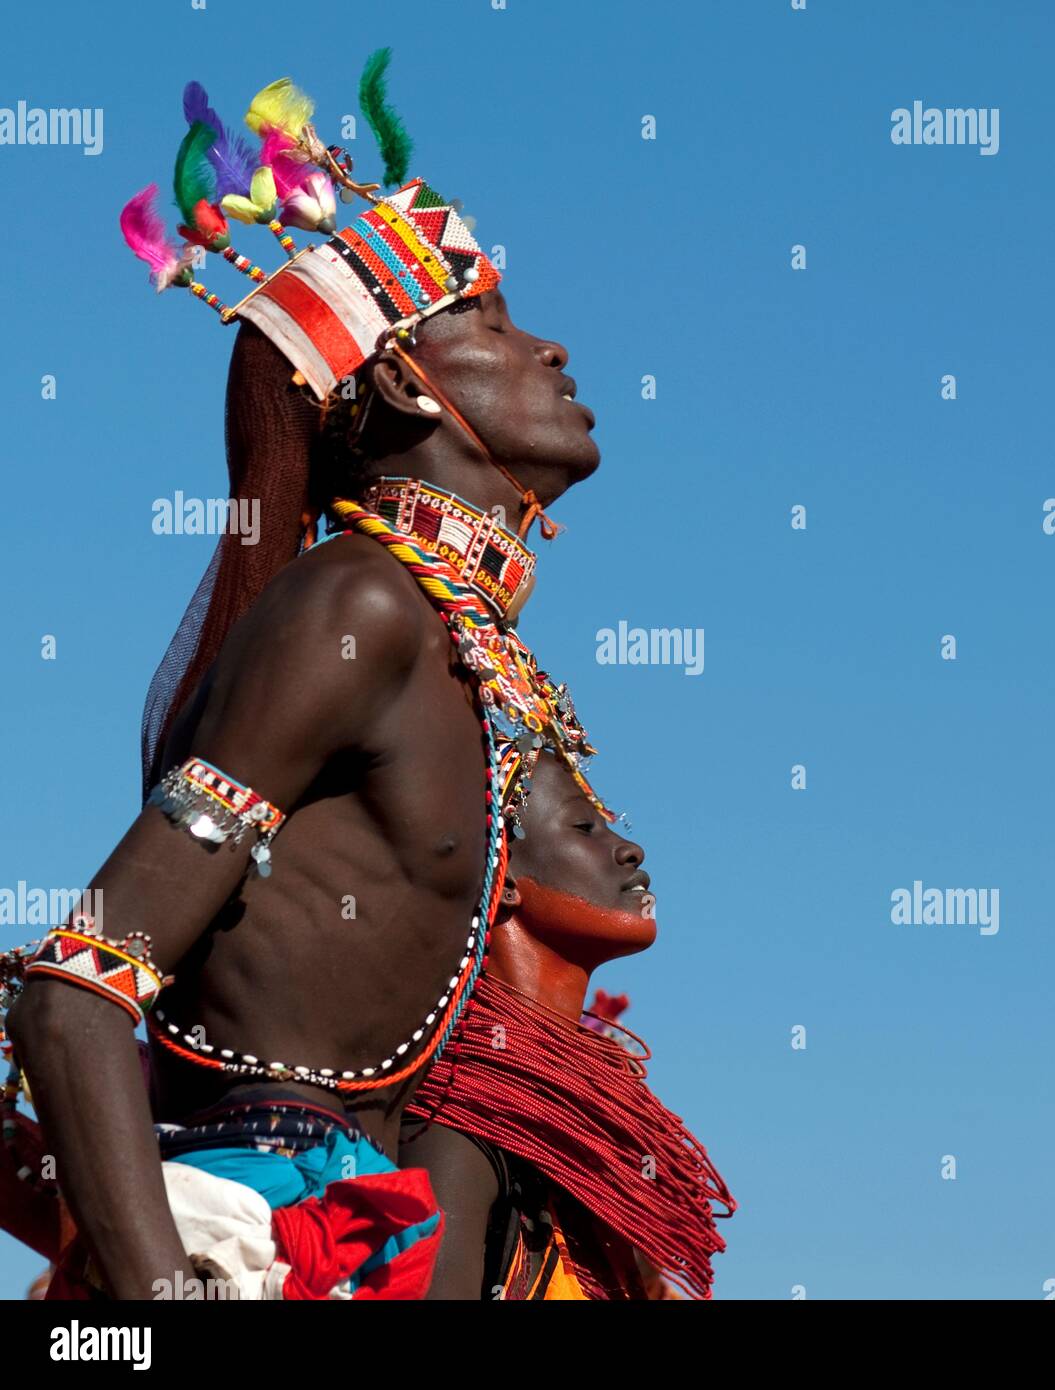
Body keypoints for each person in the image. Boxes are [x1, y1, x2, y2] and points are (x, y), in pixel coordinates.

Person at [0, 57, 614, 1300]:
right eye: (486, 323)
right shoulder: (359, 603)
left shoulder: (466, 651)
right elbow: (75, 989)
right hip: (269, 1237)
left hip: (391, 1234)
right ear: (401, 382)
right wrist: (164, 1300)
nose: (547, 345)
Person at [403, 749, 736, 1300]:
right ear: (505, 876)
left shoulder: (569, 1134)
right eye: (585, 827)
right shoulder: (458, 1115)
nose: (630, 850)